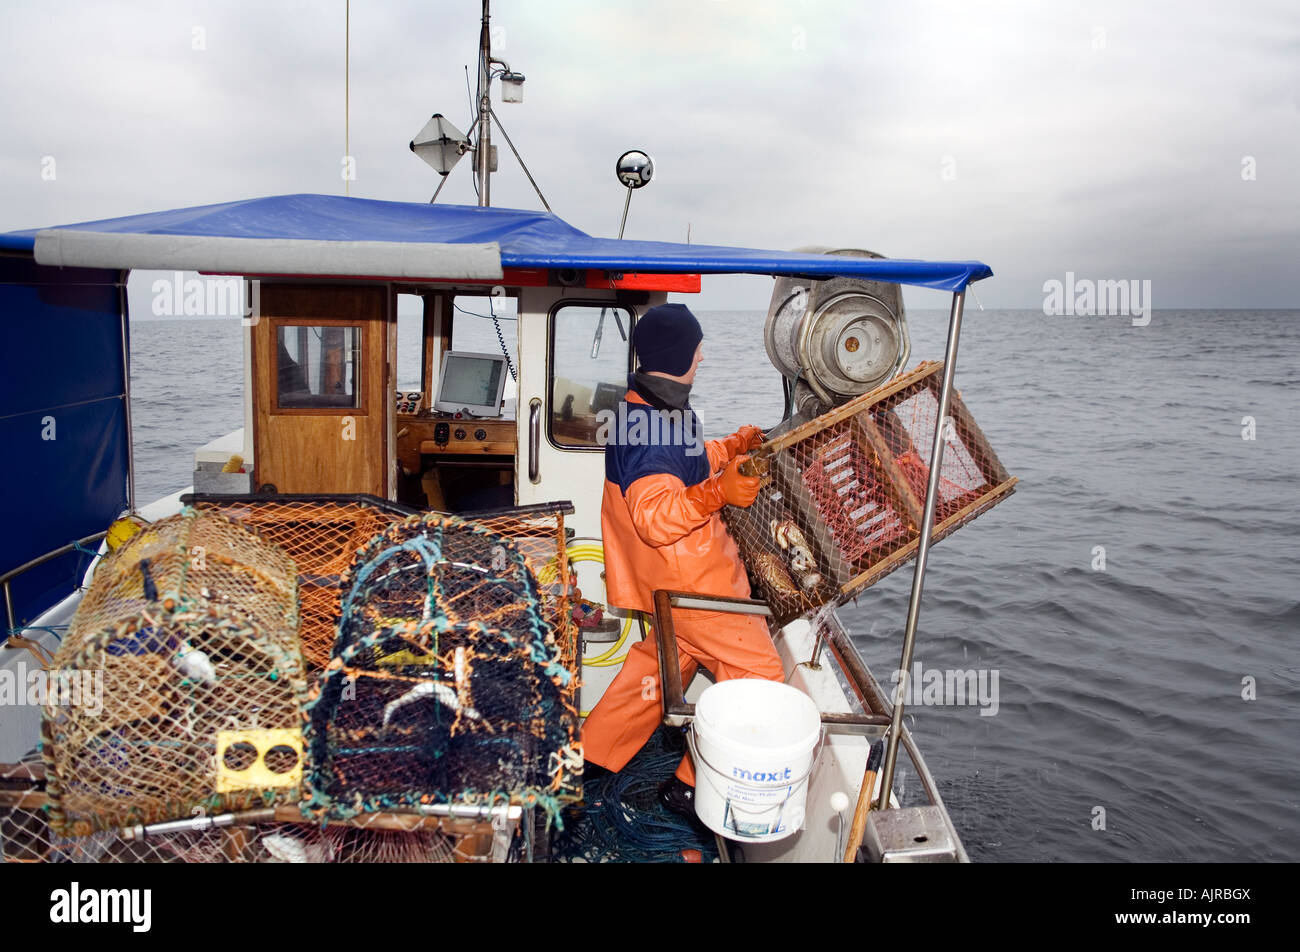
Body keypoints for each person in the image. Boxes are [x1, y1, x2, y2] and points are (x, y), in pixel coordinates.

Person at [581, 302, 785, 816]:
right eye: (698, 348)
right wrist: (719, 492)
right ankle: (691, 786)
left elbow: (685, 459)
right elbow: (655, 515)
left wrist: (729, 449)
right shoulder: (652, 427)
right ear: (682, 354)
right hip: (696, 585)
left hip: (665, 585)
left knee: (654, 673)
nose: (703, 357)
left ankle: (588, 759)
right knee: (761, 680)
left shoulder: (647, 407)